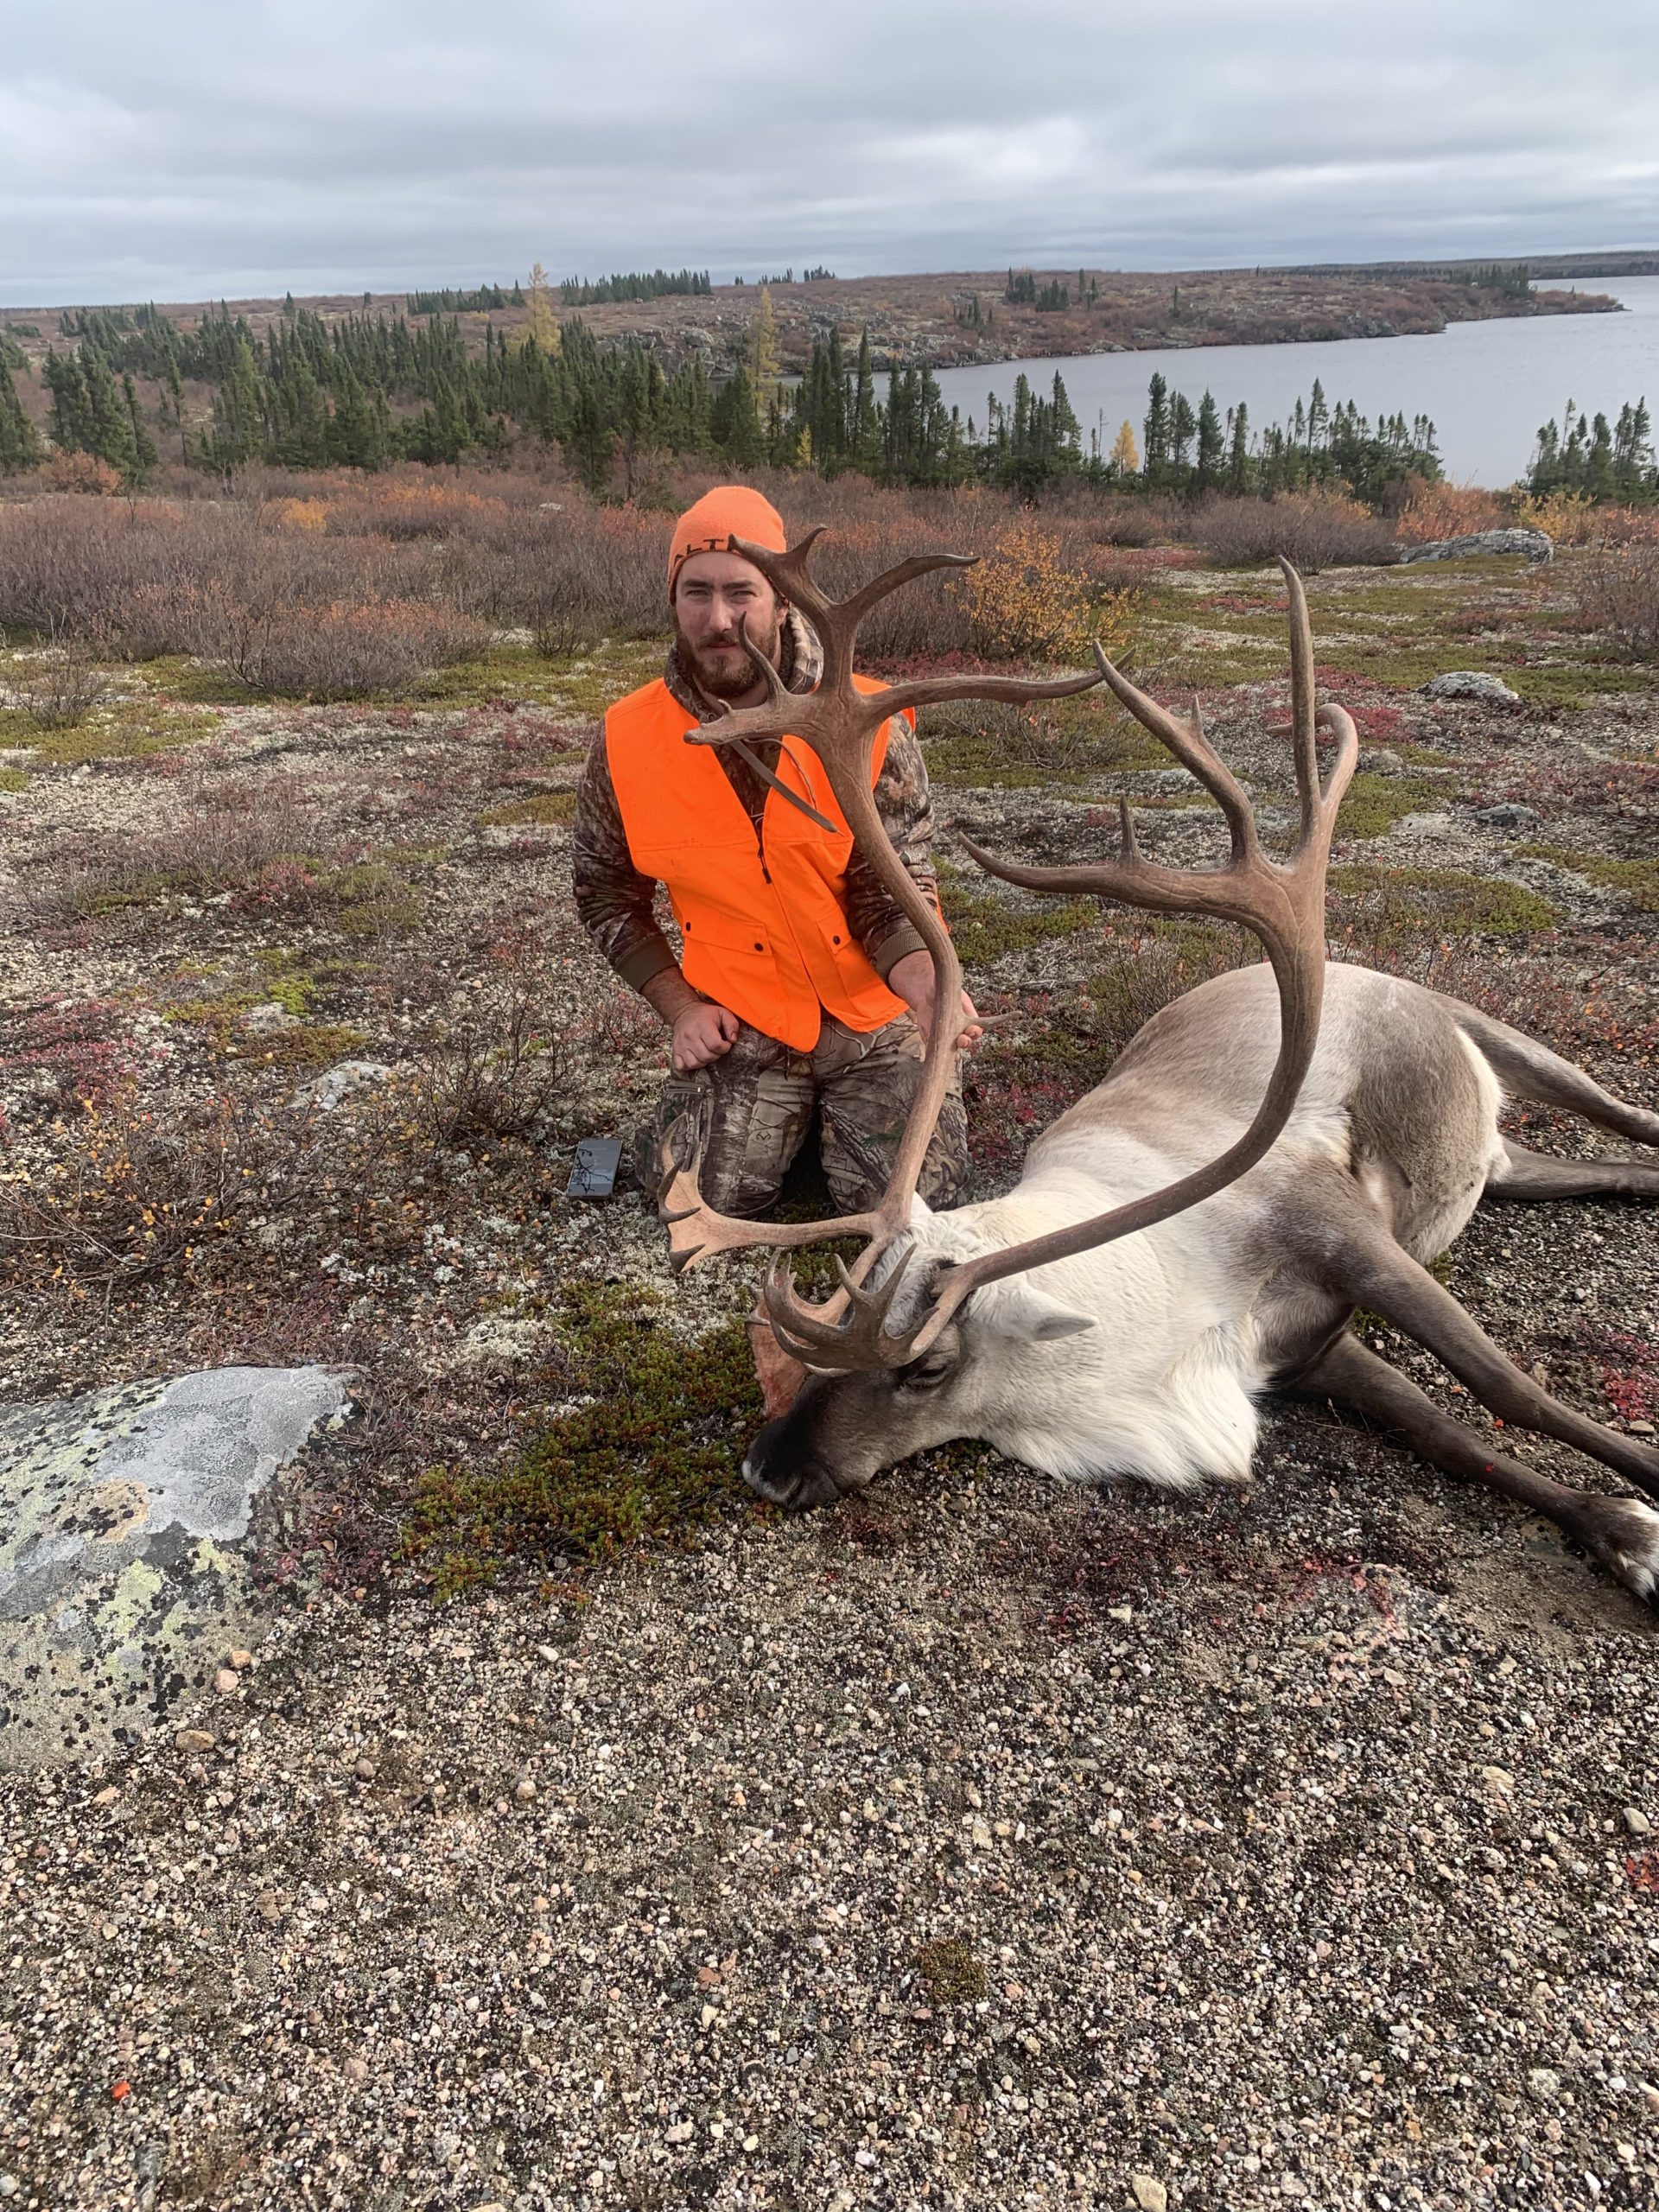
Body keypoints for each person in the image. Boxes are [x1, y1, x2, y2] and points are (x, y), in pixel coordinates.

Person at [572, 484, 976, 1224]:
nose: (719, 620)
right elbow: (604, 893)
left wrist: (924, 985)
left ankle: (861, 1105)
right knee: (701, 1203)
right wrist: (680, 1008)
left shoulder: (869, 718)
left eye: (741, 593)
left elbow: (889, 884)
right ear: (673, 599)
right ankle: (763, 1123)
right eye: (697, 593)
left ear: (783, 601)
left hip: (868, 1012)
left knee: (916, 1201)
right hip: (746, 1018)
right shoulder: (629, 737)